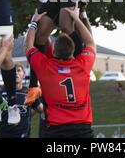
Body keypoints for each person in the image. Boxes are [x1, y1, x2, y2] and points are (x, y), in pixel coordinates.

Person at [24, 8, 96, 138]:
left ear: (54, 53)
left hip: (57, 130)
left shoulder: (46, 68)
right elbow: (90, 42)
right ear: (73, 52)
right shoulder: (82, 66)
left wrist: (34, 22)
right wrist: (77, 18)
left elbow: (29, 46)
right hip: (83, 130)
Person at [0, 62, 44, 138]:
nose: (16, 73)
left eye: (19, 70)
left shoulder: (29, 93)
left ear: (24, 74)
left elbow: (40, 109)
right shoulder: (2, 93)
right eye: (13, 71)